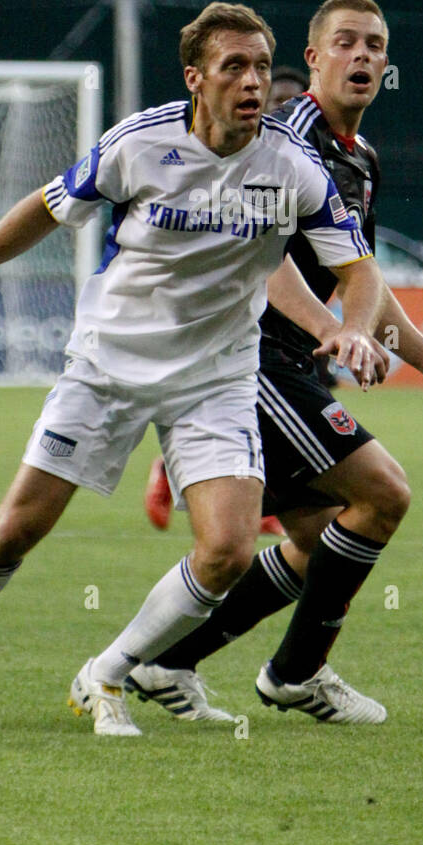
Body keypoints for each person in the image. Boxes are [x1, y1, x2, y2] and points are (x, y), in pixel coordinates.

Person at [0, 2, 388, 738]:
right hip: (109, 366)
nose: (251, 81)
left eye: (262, 67)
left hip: (217, 377)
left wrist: (355, 331)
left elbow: (358, 270)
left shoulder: (291, 165)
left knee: (228, 551)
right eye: (232, 66)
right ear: (195, 78)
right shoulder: (139, 143)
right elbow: (46, 209)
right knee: (15, 531)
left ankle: (107, 672)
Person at [116, 0, 423, 726]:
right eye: (345, 43)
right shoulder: (285, 143)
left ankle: (166, 662)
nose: (362, 57)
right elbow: (260, 260)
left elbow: (361, 275)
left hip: (288, 363)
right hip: (246, 355)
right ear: (313, 59)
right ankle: (295, 674)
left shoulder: (358, 159)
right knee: (383, 492)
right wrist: (334, 330)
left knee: (319, 540)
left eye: (375, 46)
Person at [143, 61, 310, 537]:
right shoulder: (238, 161)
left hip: (305, 326)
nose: (280, 110)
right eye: (275, 101)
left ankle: (247, 501)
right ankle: (238, 501)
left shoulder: (311, 162)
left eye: (290, 102)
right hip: (257, 324)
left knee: (276, 426)